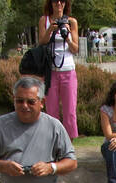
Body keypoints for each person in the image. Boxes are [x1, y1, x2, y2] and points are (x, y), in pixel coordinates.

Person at [38, 0, 80, 141]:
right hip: (50, 71)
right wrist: (51, 29)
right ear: (50, 3)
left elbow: (75, 49)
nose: (59, 3)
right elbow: (41, 42)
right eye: (55, 1)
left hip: (68, 70)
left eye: (62, 1)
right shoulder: (44, 20)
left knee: (70, 111)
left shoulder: (72, 21)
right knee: (51, 110)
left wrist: (67, 36)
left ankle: (69, 144)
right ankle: (53, 142)